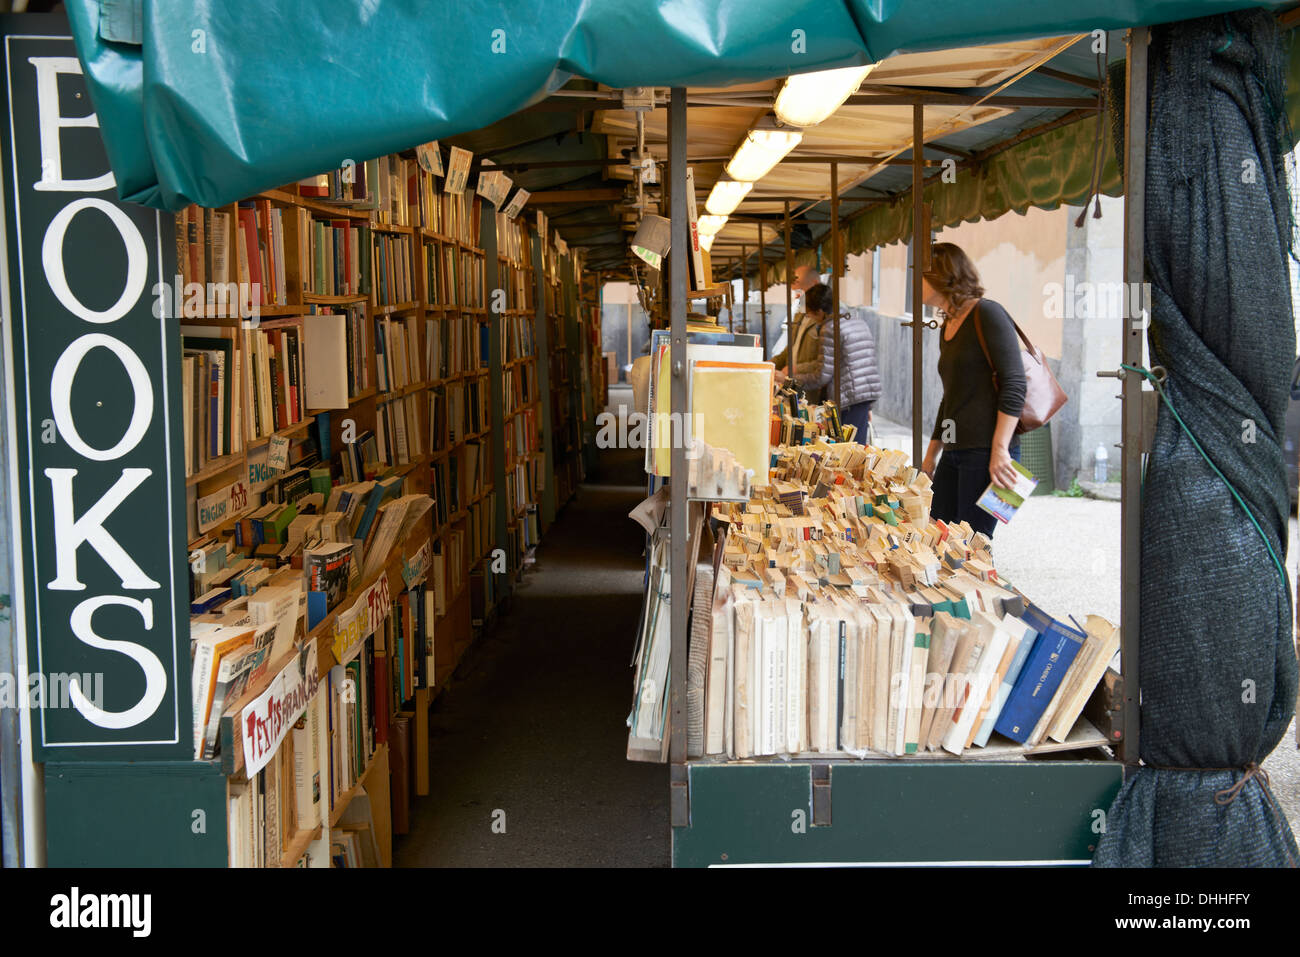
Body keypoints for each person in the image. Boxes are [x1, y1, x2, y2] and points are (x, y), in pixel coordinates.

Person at [919, 243, 1026, 539]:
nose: (915, 283)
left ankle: (983, 588)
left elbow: (1015, 383)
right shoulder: (948, 324)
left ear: (943, 276)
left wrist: (1000, 449)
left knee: (975, 545)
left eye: (921, 275)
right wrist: (933, 454)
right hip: (956, 450)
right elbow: (950, 397)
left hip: (992, 453)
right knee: (939, 534)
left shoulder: (988, 313)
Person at [777, 282, 881, 440]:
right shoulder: (855, 320)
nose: (810, 318)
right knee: (856, 448)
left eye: (810, 314)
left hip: (847, 397)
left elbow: (822, 376)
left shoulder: (831, 328)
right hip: (864, 393)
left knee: (846, 450)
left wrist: (789, 380)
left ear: (820, 311)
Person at [770, 264, 822, 394]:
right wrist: (771, 364)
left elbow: (826, 362)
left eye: (800, 291)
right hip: (793, 386)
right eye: (795, 292)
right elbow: (791, 347)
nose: (797, 297)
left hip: (812, 388)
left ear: (815, 285)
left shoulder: (827, 317)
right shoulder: (800, 313)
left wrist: (796, 369)